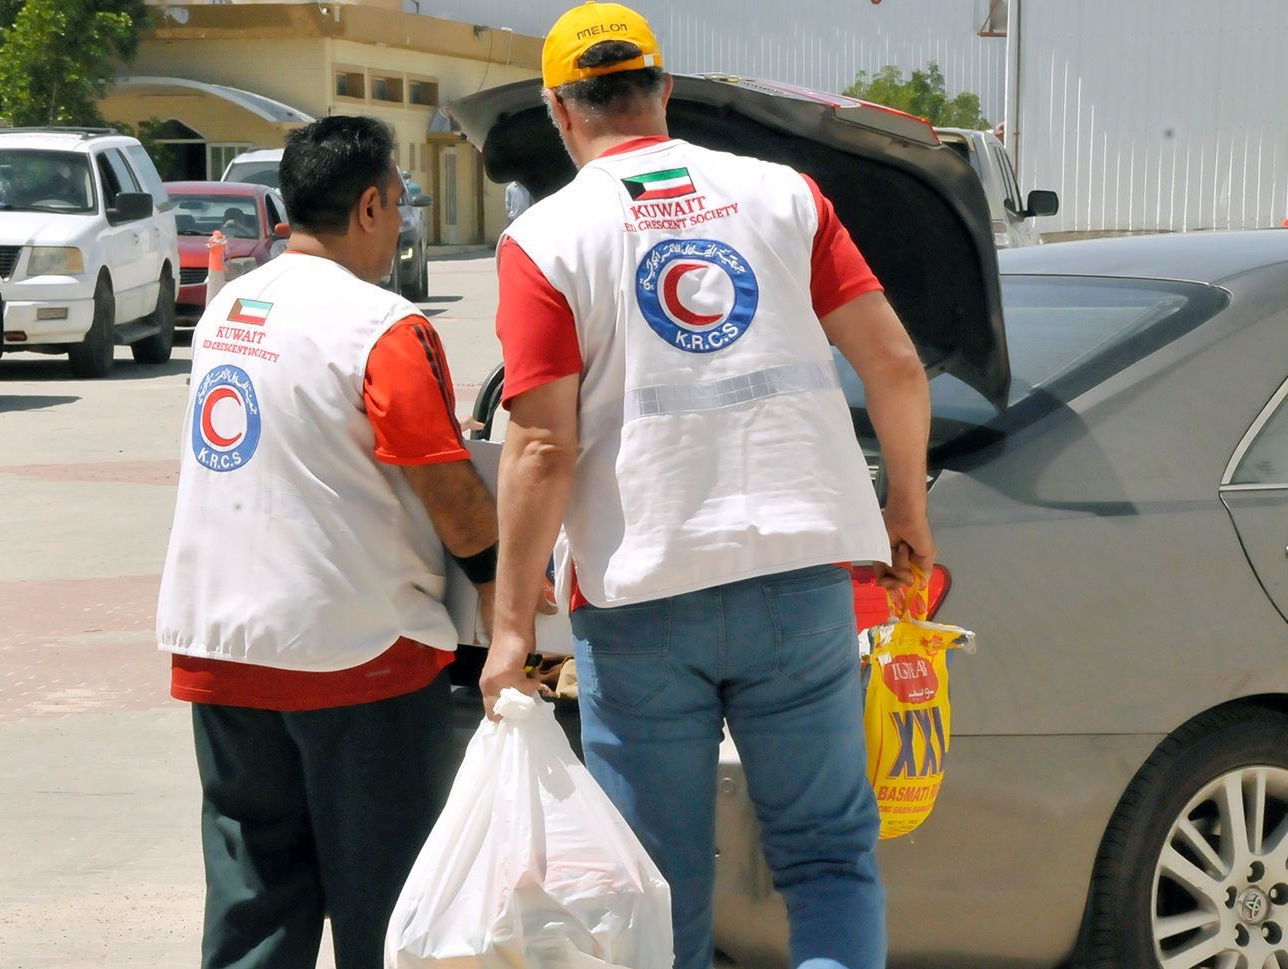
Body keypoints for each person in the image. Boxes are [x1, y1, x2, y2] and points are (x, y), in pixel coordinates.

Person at [478, 4, 935, 969]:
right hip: (802, 576)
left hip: (643, 598)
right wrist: (905, 510)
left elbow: (538, 448)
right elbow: (894, 364)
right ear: (663, 92)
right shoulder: (784, 196)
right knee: (826, 861)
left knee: (655, 885)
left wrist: (512, 627)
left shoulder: (549, 238)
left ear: (562, 111)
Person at [155, 115, 499, 969]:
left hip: (223, 646)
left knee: (255, 905)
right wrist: (500, 579)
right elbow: (447, 487)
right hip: (359, 656)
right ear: (374, 205)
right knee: (386, 905)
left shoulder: (230, 305)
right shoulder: (381, 324)